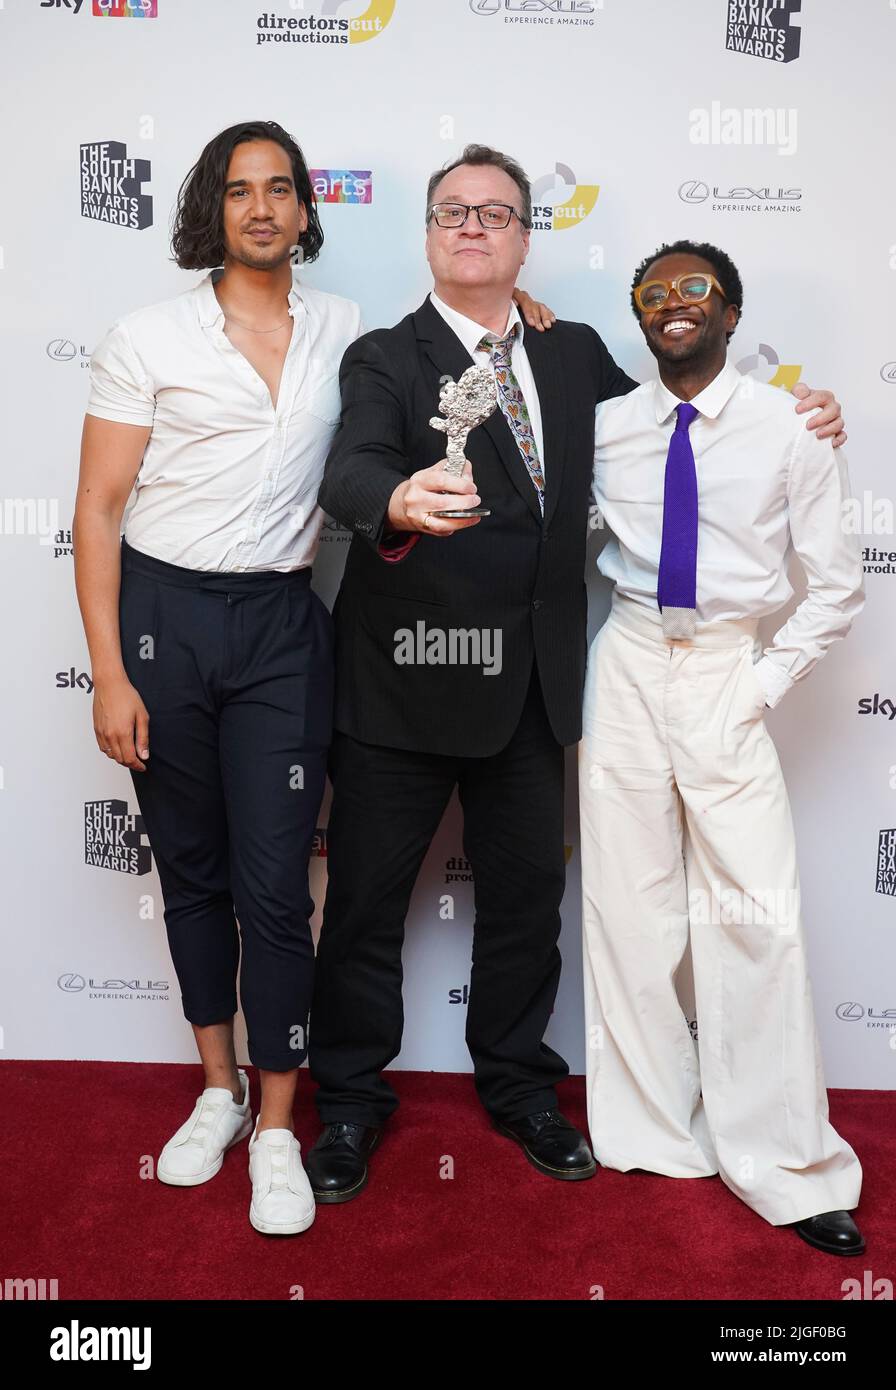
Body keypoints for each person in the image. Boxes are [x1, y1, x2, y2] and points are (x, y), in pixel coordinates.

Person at [304, 147, 846, 1204]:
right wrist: (399, 500)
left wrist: (803, 407)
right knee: (363, 908)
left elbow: (678, 413)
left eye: (496, 213)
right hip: (402, 686)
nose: (473, 227)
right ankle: (352, 1103)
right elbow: (351, 467)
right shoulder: (384, 356)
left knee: (525, 910)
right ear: (426, 234)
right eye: (452, 212)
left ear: (521, 239)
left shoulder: (574, 353)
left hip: (536, 695)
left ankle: (517, 1089)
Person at [74, 121, 363, 1236]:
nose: (259, 207)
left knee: (276, 886)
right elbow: (98, 508)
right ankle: (218, 1093)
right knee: (193, 872)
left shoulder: (347, 329)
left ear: (302, 210)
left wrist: (519, 314)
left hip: (284, 624)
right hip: (164, 618)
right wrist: (108, 670)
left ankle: (281, 1127)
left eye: (278, 188)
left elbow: (454, 368)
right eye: (238, 190)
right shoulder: (149, 334)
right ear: (213, 208)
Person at [578, 239, 865, 1255]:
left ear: (731, 313)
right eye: (652, 292)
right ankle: (652, 1128)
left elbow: (835, 581)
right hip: (625, 661)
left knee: (754, 915)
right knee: (628, 906)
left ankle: (784, 1163)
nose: (672, 303)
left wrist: (757, 686)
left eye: (694, 288)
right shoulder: (607, 425)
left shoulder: (793, 424)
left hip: (725, 670)